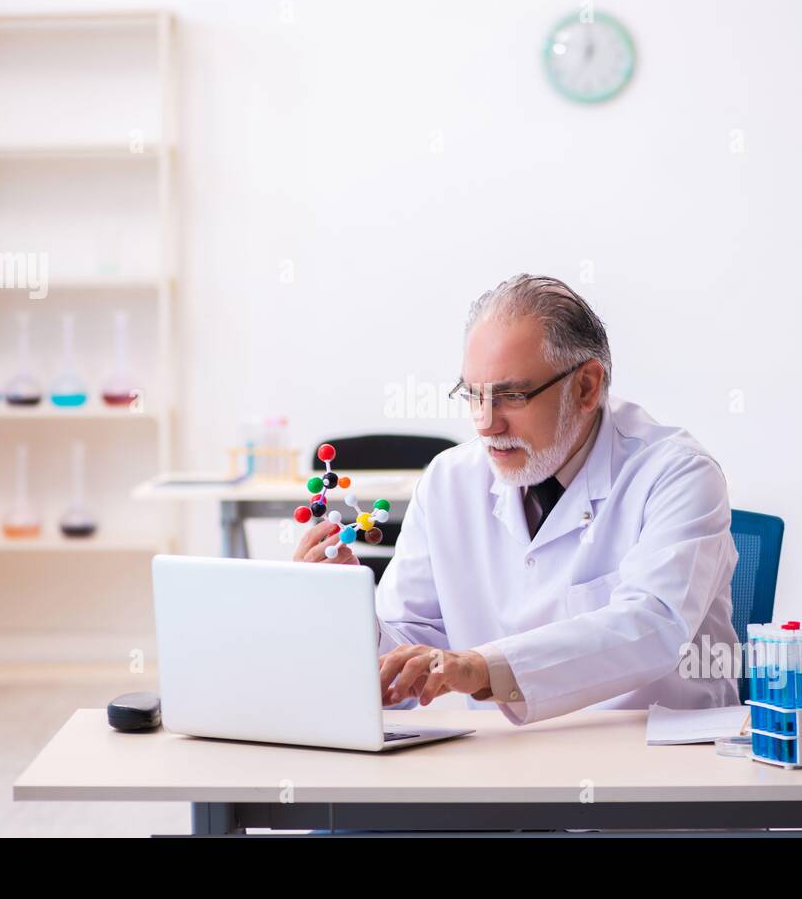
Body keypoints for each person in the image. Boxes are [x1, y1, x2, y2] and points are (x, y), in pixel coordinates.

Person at [292, 274, 740, 725]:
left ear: (585, 386)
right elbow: (406, 650)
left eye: (511, 396)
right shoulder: (449, 480)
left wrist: (481, 668)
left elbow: (652, 627)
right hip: (505, 766)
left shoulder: (677, 473)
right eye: (473, 395)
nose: (486, 424)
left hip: (655, 766)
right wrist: (346, 612)